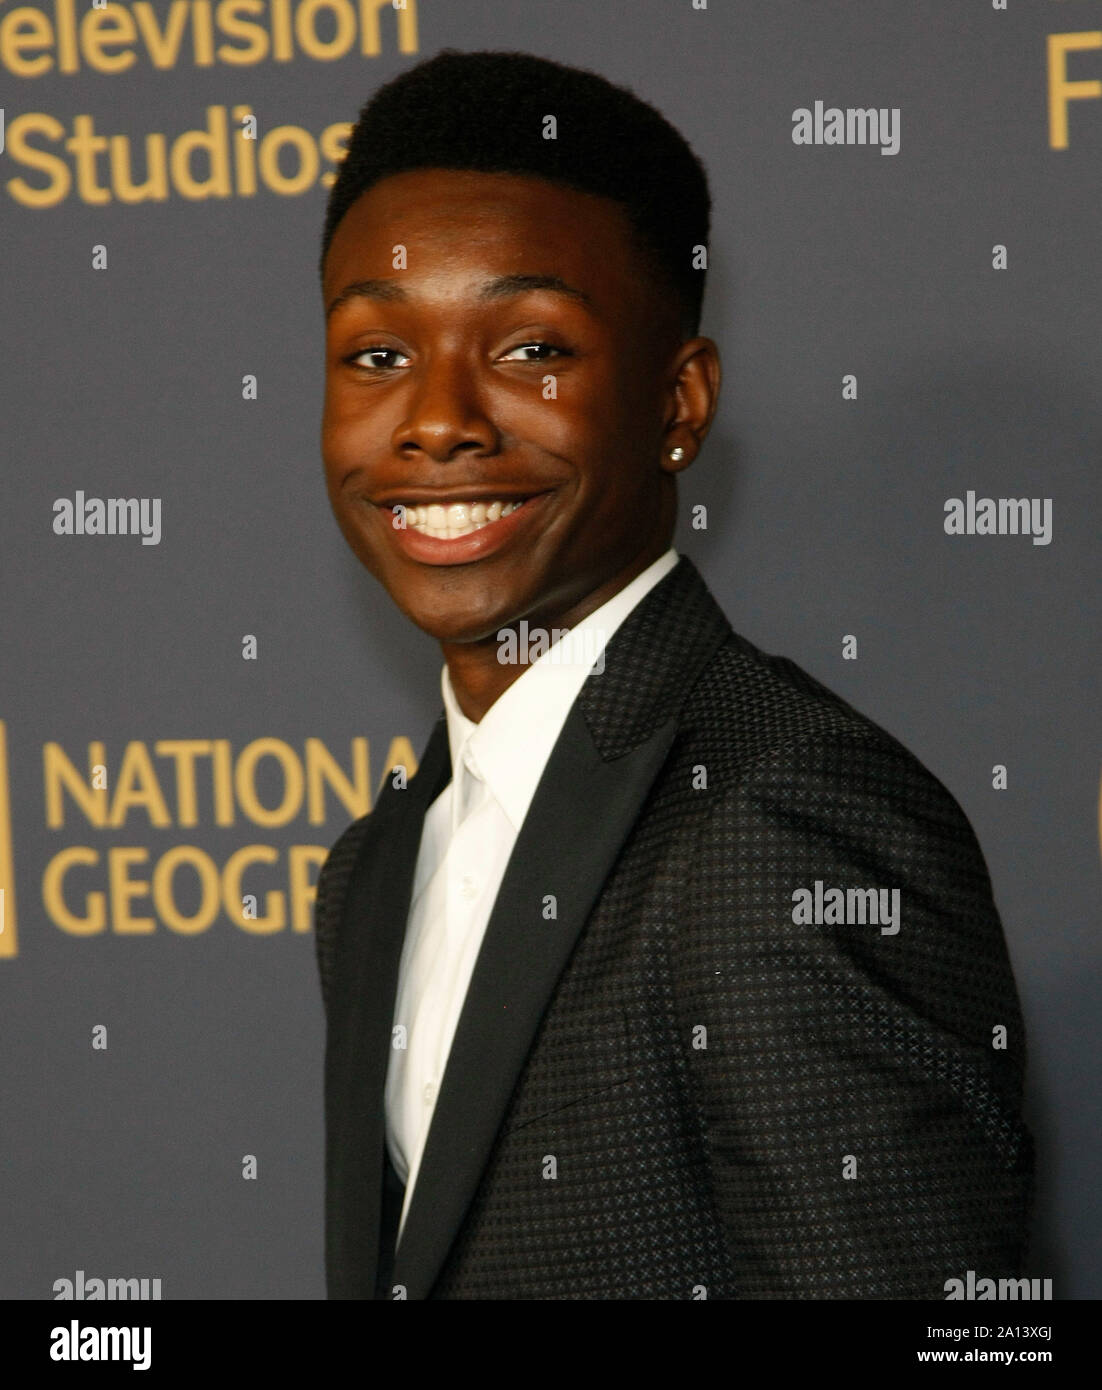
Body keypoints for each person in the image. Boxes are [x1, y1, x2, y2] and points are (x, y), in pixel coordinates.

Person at [314, 48, 1034, 1300]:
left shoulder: (781, 820)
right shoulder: (374, 867)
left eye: (530, 346)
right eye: (377, 355)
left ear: (678, 404)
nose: (436, 419)